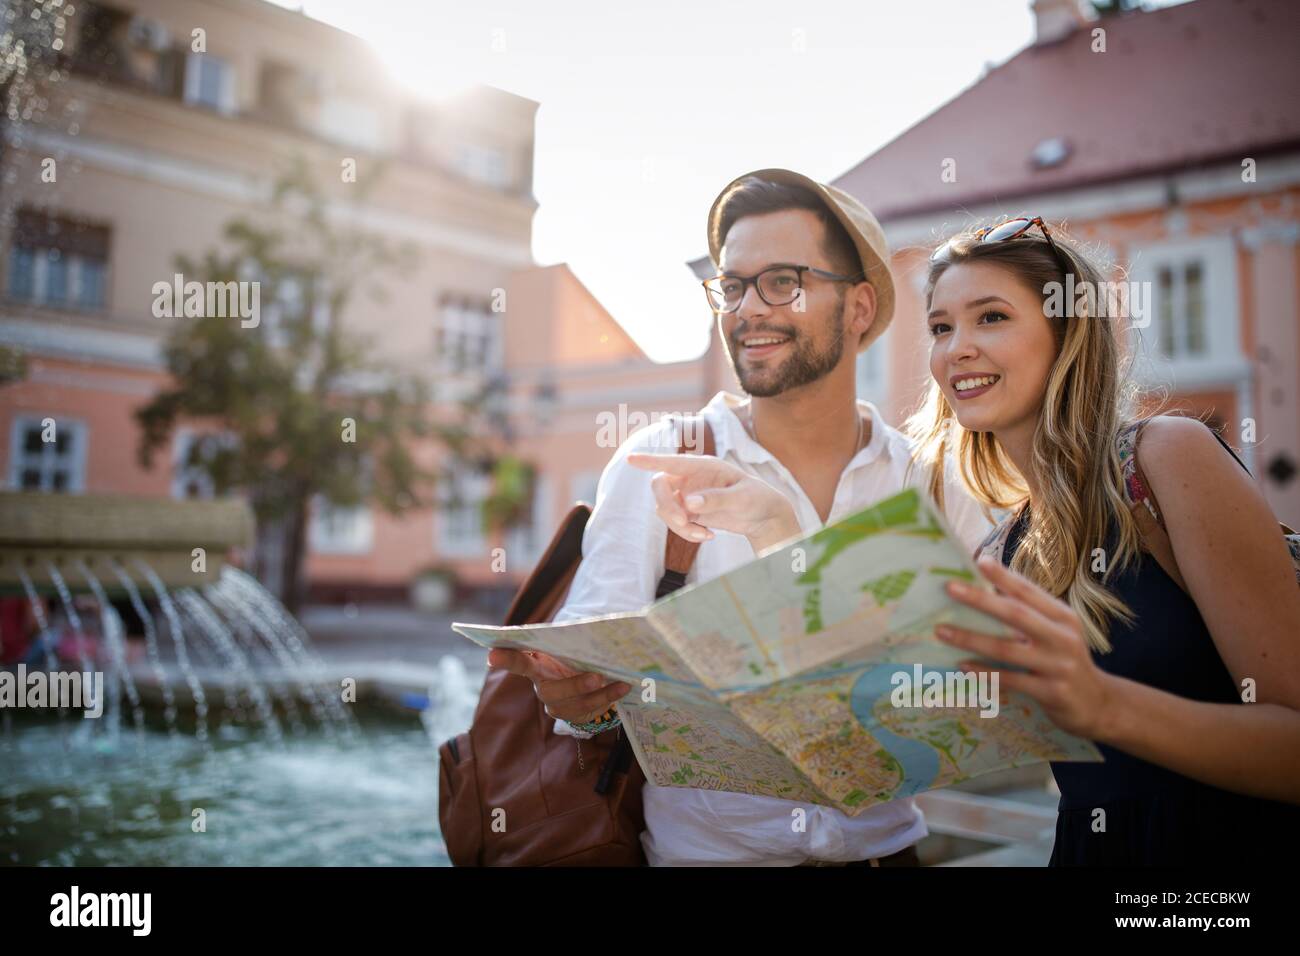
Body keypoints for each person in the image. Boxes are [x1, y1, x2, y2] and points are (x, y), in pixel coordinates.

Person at [487, 168, 992, 866]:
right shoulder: (660, 459)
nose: (747, 308)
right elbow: (587, 685)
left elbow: (962, 702)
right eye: (732, 285)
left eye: (782, 281)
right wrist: (578, 695)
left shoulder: (927, 479)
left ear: (858, 307)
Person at [912, 216, 1300, 865]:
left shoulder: (1165, 458)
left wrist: (1102, 705)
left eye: (992, 318)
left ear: (1066, 334)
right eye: (941, 326)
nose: (956, 349)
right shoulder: (999, 550)